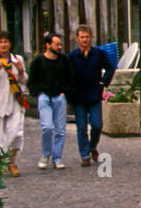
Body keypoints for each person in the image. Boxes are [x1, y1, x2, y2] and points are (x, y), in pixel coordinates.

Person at [67, 24, 115, 167]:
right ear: (77, 38)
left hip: (94, 94)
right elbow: (66, 75)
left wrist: (103, 83)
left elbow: (110, 68)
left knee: (97, 124)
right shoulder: (72, 56)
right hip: (78, 96)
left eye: (87, 37)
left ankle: (92, 146)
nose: (85, 40)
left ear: (91, 38)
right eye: (82, 37)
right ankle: (85, 155)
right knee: (81, 127)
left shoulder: (99, 54)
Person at [0, 30, 27, 176]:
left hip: (15, 99)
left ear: (10, 44)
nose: (3, 45)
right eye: (0, 42)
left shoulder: (17, 59)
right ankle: (0, 161)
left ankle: (12, 161)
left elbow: (24, 80)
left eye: (6, 42)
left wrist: (21, 71)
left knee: (16, 132)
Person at [28, 32, 72, 170]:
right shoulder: (39, 60)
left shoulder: (64, 60)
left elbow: (70, 77)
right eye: (57, 44)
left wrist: (65, 93)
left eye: (60, 44)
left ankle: (57, 158)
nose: (60, 47)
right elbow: (32, 79)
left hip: (59, 97)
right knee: (47, 127)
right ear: (48, 45)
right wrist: (37, 94)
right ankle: (45, 154)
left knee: (60, 130)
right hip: (45, 96)